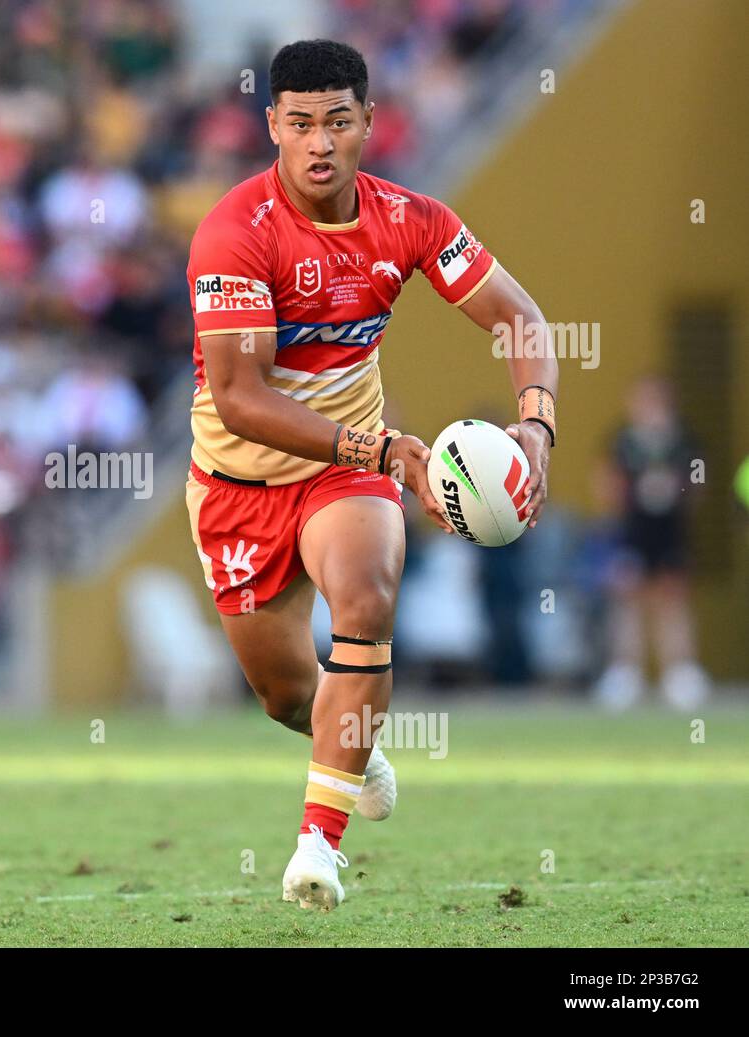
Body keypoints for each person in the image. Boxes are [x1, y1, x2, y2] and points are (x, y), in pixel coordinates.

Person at [183, 40, 557, 910]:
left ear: (368, 125)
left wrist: (535, 425)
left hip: (347, 471)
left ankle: (320, 839)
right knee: (284, 697)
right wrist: (384, 449)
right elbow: (238, 399)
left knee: (365, 595)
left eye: (338, 122)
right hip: (239, 486)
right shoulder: (235, 233)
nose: (320, 143)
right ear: (273, 125)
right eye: (302, 124)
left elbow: (521, 318)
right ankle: (347, 744)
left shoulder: (413, 220)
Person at [593, 376, 709, 710]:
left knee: (672, 600)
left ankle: (680, 672)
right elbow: (606, 483)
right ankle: (625, 672)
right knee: (628, 600)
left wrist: (676, 492)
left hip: (670, 533)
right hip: (633, 532)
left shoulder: (683, 441)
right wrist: (629, 498)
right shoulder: (623, 441)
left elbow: (699, 482)